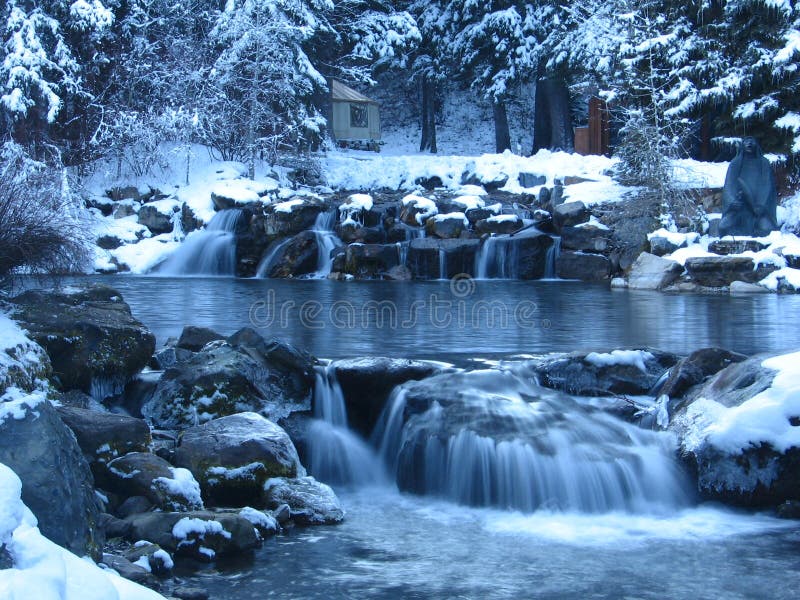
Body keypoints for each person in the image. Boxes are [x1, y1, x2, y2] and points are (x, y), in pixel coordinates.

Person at [718, 136, 778, 237]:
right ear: (742, 145)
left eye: (752, 142)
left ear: (757, 145)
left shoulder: (764, 163)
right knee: (724, 226)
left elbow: (767, 186)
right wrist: (733, 202)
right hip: (740, 208)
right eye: (746, 141)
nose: (749, 144)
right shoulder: (735, 164)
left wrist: (761, 205)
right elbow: (729, 185)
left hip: (758, 208)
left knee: (767, 228)